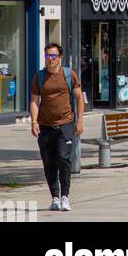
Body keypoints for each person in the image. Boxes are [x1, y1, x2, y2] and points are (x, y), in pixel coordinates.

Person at [29, 43, 84, 211]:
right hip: (45, 126)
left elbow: (79, 99)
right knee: (49, 162)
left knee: (63, 159)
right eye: (47, 56)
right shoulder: (39, 77)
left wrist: (80, 122)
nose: (50, 59)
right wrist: (34, 121)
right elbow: (34, 101)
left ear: (60, 57)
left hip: (65, 124)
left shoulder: (69, 75)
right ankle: (55, 197)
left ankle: (65, 196)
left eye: (53, 56)